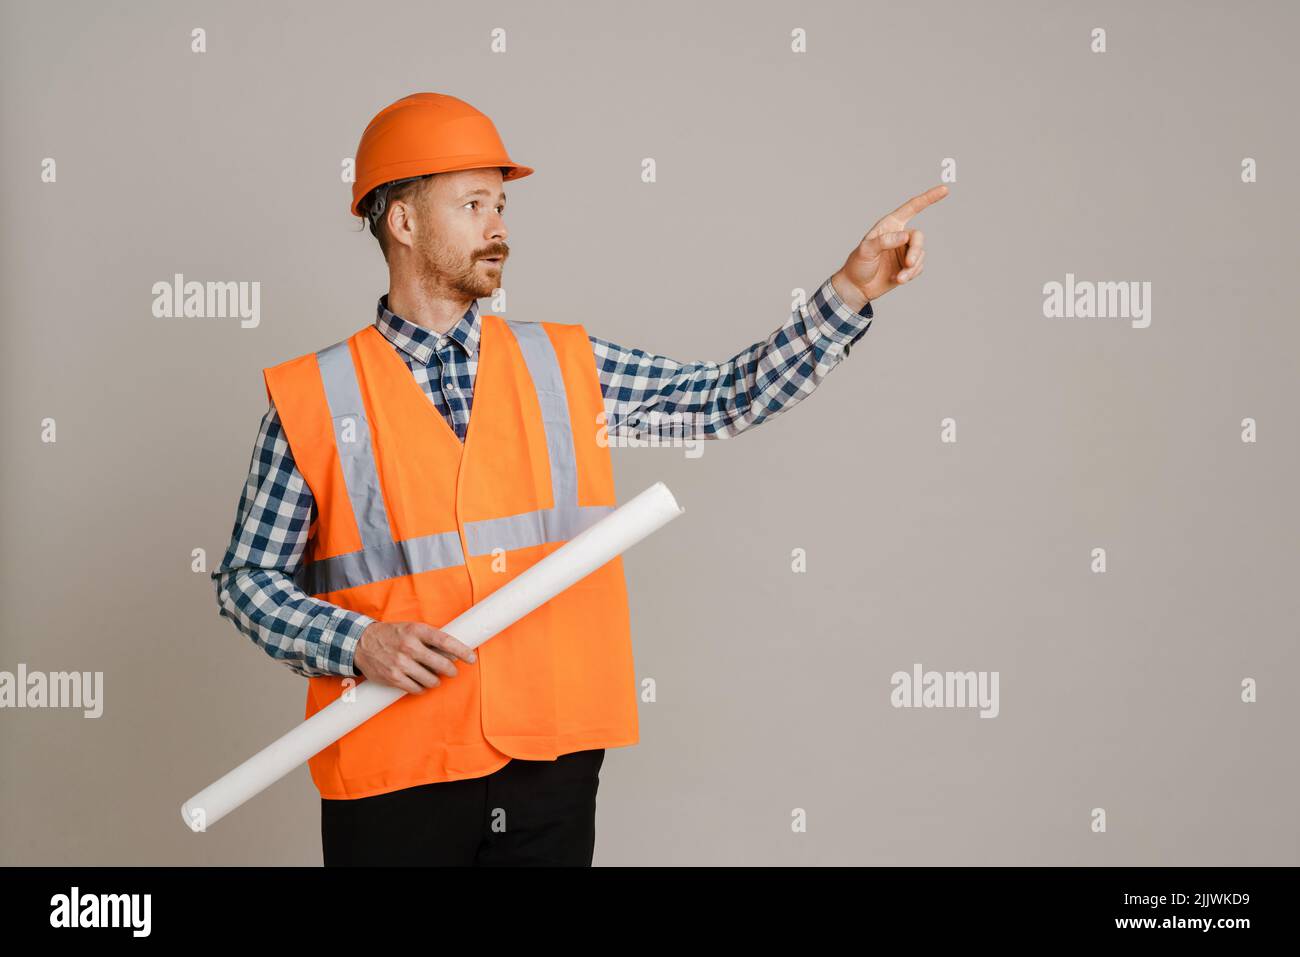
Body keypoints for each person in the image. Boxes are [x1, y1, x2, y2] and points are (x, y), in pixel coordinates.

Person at [211, 92, 947, 866]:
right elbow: (247, 579)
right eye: (472, 205)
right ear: (402, 221)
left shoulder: (566, 366)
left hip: (549, 767)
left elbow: (726, 397)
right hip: (393, 770)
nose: (499, 227)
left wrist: (850, 292)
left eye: (500, 204)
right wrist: (358, 640)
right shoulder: (317, 396)